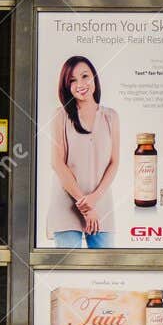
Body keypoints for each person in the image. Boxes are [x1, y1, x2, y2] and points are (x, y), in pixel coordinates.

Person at [48, 55, 120, 248]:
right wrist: (86, 207)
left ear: (94, 78)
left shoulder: (110, 117)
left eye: (85, 76)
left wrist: (94, 200)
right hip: (67, 207)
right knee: (67, 274)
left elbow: (114, 163)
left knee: (104, 273)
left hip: (101, 206)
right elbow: (57, 163)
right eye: (72, 80)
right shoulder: (61, 116)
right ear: (66, 86)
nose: (80, 83)